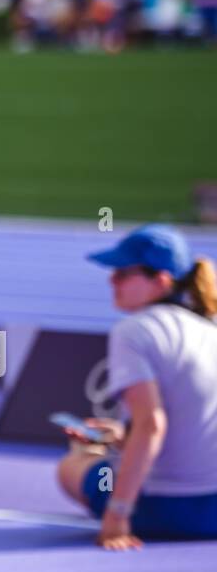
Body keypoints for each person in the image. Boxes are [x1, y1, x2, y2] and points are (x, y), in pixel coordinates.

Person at [57, 224, 217, 548]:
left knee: (73, 466)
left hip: (168, 510)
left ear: (160, 280)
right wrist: (123, 438)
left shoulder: (134, 330)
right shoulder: (209, 329)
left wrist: (117, 516)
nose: (111, 281)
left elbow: (152, 424)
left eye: (123, 274)